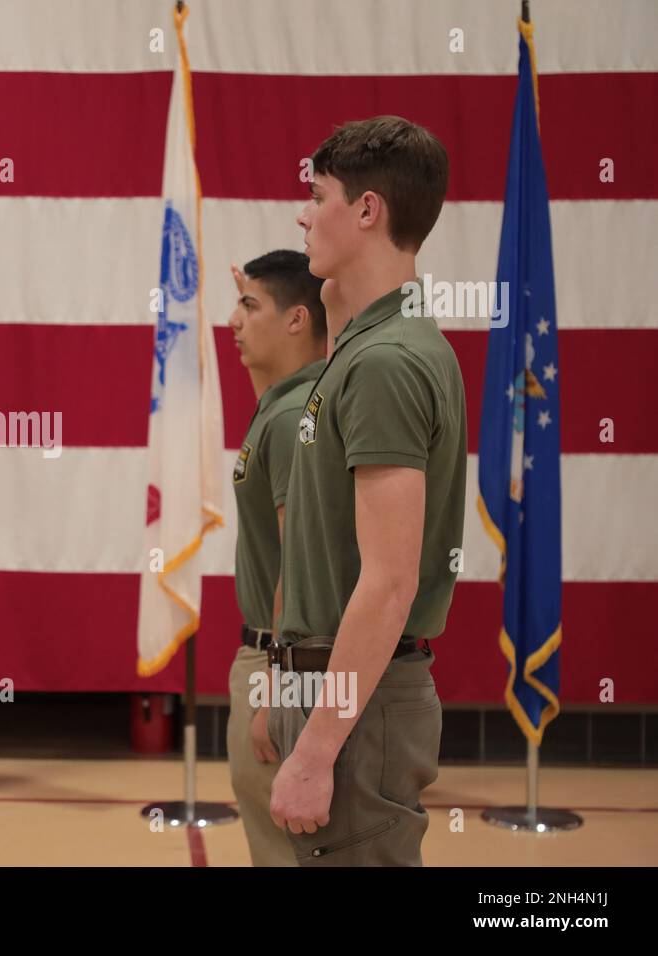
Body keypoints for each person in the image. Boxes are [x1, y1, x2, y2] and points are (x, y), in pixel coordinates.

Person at [269, 116, 466, 865]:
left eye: (316, 194)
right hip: (340, 691)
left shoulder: (385, 362)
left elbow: (388, 583)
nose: (301, 212)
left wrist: (318, 751)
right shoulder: (370, 344)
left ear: (367, 210)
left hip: (356, 702)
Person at [225, 250, 327, 866]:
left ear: (296, 320)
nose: (234, 321)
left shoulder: (292, 418)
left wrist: (277, 690)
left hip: (279, 658)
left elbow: (300, 556)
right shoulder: (286, 406)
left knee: (284, 850)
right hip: (279, 658)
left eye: (249, 306)